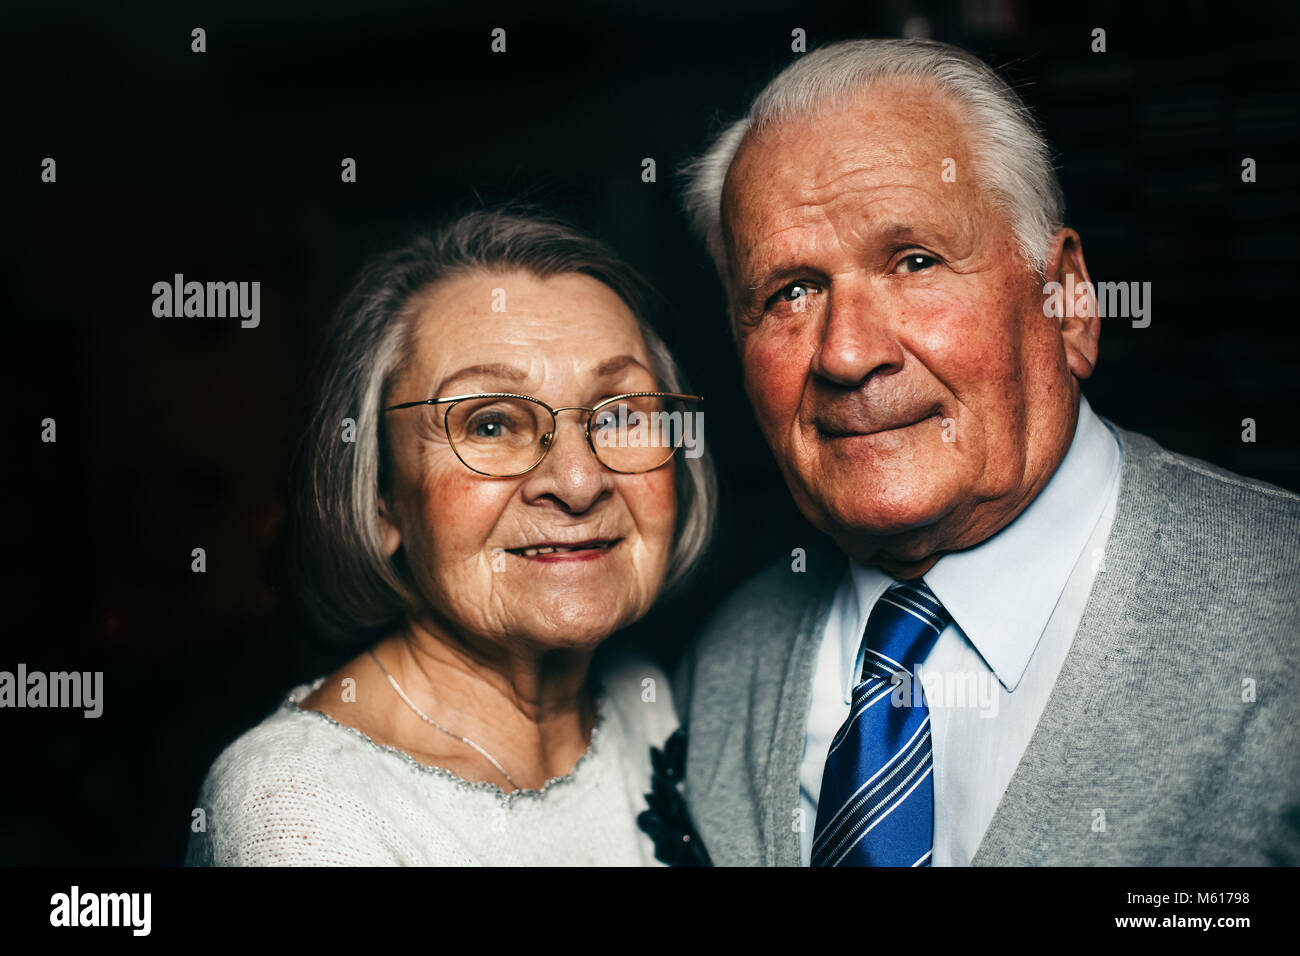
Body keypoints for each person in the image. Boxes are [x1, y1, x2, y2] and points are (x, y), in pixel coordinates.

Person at [671, 37, 1300, 866]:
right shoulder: (725, 662)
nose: (847, 354)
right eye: (792, 291)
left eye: (915, 261)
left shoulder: (1280, 608)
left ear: (1070, 302)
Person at [185, 208, 715, 865]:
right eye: (489, 424)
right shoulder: (297, 806)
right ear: (381, 499)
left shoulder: (648, 702)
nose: (579, 482)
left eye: (618, 415)